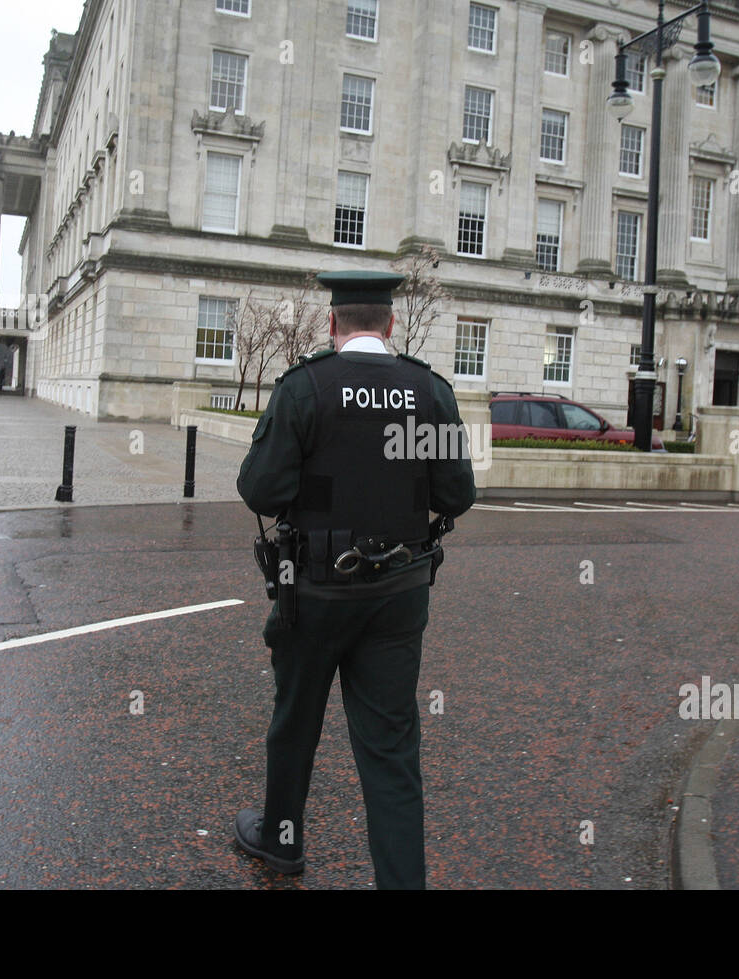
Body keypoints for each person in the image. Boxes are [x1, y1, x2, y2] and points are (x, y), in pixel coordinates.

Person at [233, 270, 477, 889]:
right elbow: (457, 495)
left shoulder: (305, 387)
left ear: (331, 323)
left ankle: (282, 840)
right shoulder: (429, 392)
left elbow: (260, 491)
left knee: (295, 723)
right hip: (398, 591)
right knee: (391, 748)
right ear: (391, 324)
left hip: (313, 591)